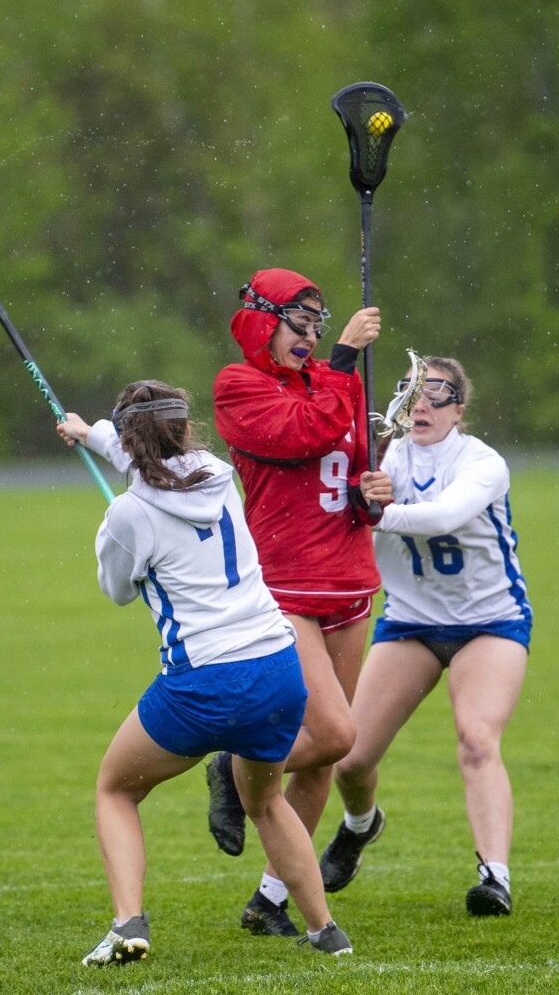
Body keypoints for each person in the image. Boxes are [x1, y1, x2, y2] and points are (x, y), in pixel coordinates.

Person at [56, 379, 354, 966]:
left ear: (132, 440)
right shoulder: (217, 473)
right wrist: (89, 433)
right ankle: (326, 932)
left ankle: (128, 924)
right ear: (182, 430)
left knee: (116, 789)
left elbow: (117, 591)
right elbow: (148, 463)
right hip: (277, 667)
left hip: (204, 681)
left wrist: (120, 535)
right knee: (266, 801)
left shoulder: (128, 513)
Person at [207, 268, 393, 937]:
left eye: (319, 326)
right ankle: (234, 767)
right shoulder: (239, 386)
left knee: (323, 758)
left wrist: (372, 497)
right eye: (300, 323)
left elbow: (345, 472)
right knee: (336, 735)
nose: (311, 337)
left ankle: (271, 900)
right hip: (286, 587)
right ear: (263, 320)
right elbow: (298, 437)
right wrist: (343, 359)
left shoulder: (336, 382)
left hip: (350, 581)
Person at [319, 357, 532, 917]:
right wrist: (359, 487)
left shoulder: (481, 462)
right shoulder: (381, 456)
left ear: (459, 409)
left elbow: (443, 516)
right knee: (349, 759)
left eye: (438, 393)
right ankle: (360, 825)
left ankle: (495, 877)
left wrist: (374, 513)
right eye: (413, 390)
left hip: (489, 620)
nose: (423, 403)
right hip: (411, 620)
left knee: (477, 739)